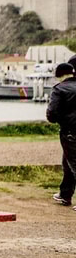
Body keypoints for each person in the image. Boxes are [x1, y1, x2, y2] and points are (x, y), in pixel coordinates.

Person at [47, 61, 76, 210]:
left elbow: (51, 114)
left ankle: (66, 194)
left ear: (59, 75)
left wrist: (61, 119)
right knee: (67, 162)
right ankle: (65, 194)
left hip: (70, 131)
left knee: (74, 163)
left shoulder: (59, 89)